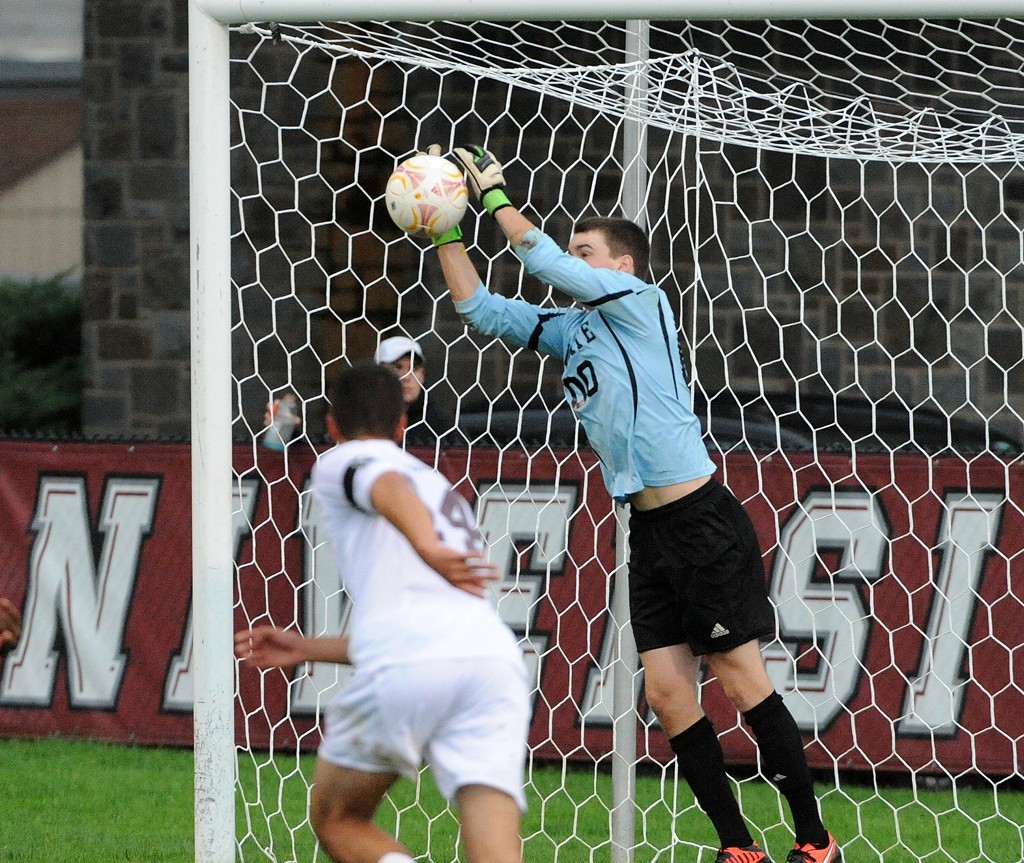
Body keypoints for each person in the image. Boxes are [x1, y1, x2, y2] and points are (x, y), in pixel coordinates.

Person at [429, 143, 841, 863]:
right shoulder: (578, 328)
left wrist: (496, 199)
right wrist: (443, 230)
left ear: (620, 266)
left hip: (702, 520)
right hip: (648, 531)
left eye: (587, 250)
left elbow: (547, 263)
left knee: (742, 683)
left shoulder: (641, 303)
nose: (574, 261)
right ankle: (740, 850)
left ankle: (817, 843)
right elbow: (482, 310)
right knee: (669, 697)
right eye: (575, 249)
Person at [236, 360, 529, 863]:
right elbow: (426, 625)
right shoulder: (436, 484)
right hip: (492, 662)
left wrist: (426, 546)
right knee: (495, 843)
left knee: (338, 819)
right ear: (401, 425)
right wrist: (307, 648)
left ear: (331, 425)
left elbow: (382, 481)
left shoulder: (343, 460)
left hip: (411, 664)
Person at [373, 334, 457, 447]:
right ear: (378, 376)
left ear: (422, 375)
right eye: (397, 367)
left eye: (414, 368)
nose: (407, 376)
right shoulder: (363, 423)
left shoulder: (443, 423)